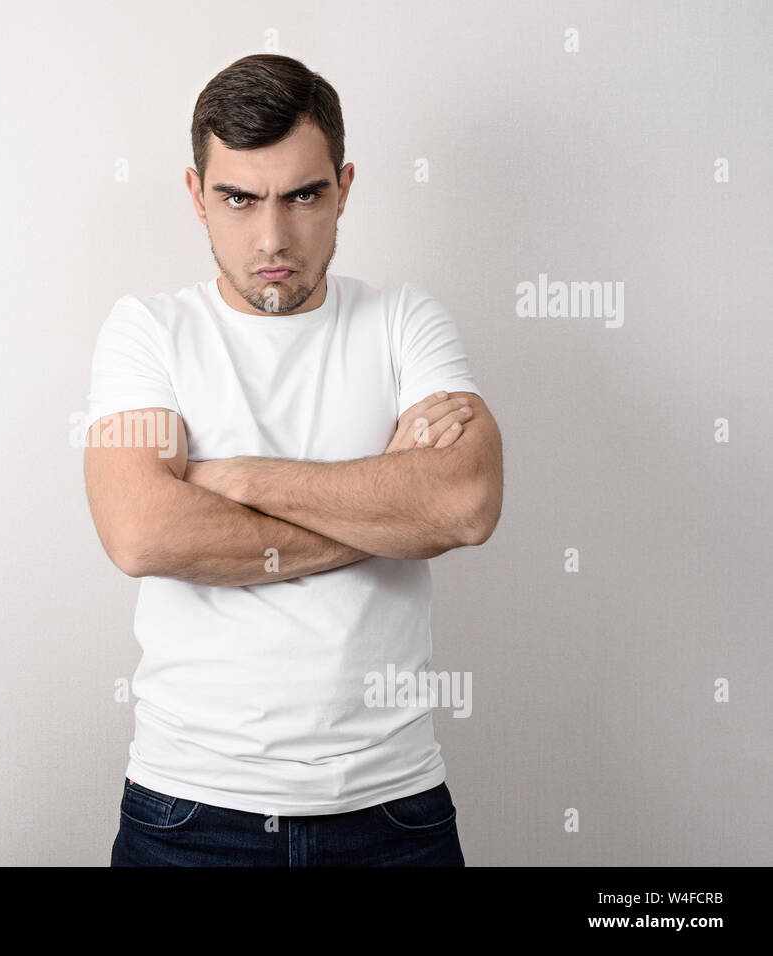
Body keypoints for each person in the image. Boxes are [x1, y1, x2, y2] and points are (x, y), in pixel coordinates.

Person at [82, 54, 504, 866]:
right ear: (195, 196)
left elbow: (466, 504)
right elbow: (141, 534)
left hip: (393, 810)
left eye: (303, 195)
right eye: (238, 198)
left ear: (344, 187)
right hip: (191, 810)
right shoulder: (149, 331)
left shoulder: (403, 321)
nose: (271, 238)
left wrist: (239, 479)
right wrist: (388, 512)